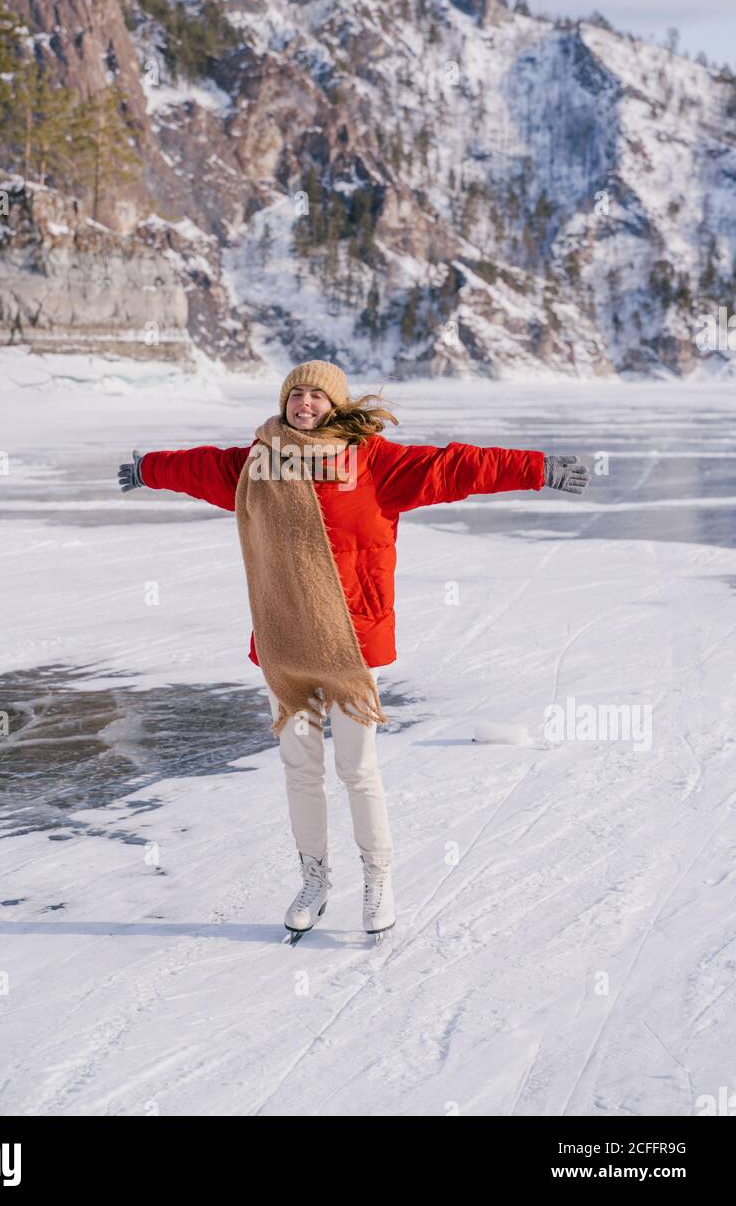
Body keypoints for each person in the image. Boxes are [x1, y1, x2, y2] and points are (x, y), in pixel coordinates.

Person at [117, 360, 591, 940]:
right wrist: (147, 468)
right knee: (299, 768)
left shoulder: (374, 463)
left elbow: (458, 466)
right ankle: (315, 879)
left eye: (318, 394)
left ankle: (378, 879)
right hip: (284, 642)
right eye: (296, 393)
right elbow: (196, 467)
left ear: (336, 406)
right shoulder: (255, 464)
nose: (305, 403)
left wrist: (538, 467)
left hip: (350, 640)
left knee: (356, 767)